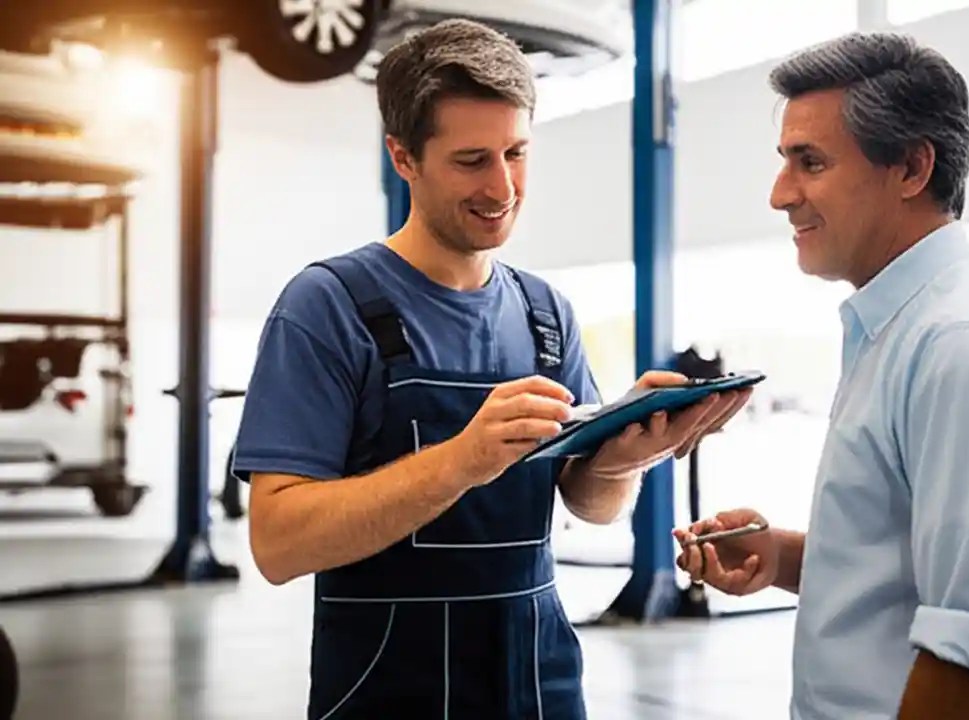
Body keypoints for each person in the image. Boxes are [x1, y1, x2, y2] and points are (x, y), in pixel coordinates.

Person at [232, 19, 750, 720]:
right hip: (389, 693)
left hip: (539, 683)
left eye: (516, 152)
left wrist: (629, 452)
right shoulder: (328, 307)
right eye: (472, 159)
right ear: (403, 157)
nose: (502, 186)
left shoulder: (545, 315)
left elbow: (591, 505)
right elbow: (278, 544)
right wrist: (460, 462)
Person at [673, 31, 969, 720]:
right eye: (784, 161)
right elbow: (920, 570)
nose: (780, 194)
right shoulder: (900, 328)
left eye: (810, 162)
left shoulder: (965, 344)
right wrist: (781, 557)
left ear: (911, 168)